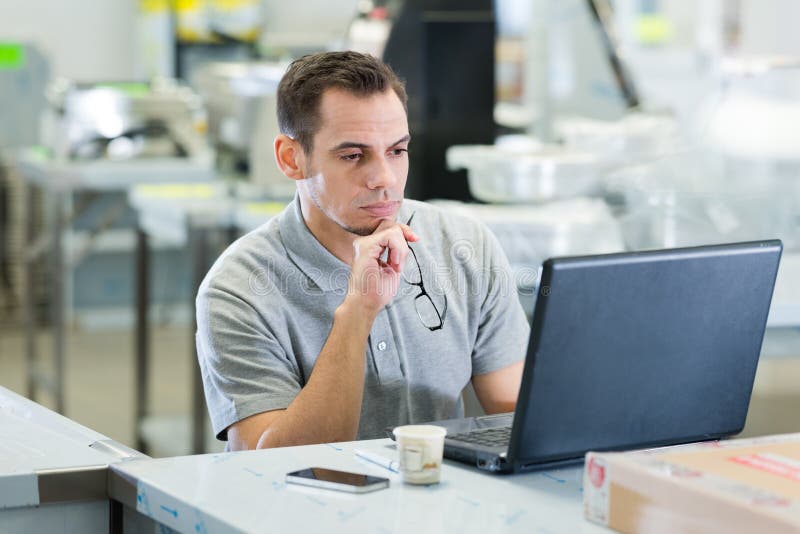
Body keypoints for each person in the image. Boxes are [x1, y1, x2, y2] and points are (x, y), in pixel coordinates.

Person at [196, 51, 530, 451]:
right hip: (306, 510)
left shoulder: (464, 246)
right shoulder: (239, 288)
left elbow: (515, 415)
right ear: (291, 159)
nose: (384, 179)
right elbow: (273, 464)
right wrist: (358, 312)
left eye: (397, 151)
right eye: (353, 156)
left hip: (442, 503)